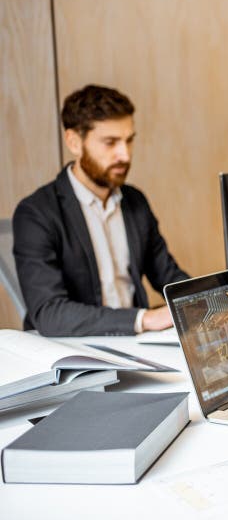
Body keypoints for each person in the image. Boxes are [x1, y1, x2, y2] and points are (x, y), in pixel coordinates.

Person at [13, 85, 189, 337]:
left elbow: (169, 276)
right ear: (74, 142)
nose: (124, 154)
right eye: (110, 143)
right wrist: (145, 318)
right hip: (74, 351)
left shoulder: (134, 201)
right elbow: (49, 312)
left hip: (133, 343)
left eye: (129, 140)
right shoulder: (36, 213)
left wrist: (210, 299)